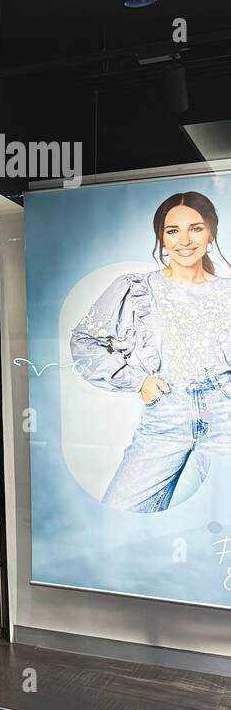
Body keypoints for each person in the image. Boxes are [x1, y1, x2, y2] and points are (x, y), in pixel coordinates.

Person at [70, 190, 231, 511]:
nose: (184, 240)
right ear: (161, 237)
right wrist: (138, 380)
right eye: (173, 231)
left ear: (211, 232)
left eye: (195, 228)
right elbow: (85, 342)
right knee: (121, 510)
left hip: (226, 415)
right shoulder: (135, 288)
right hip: (165, 417)